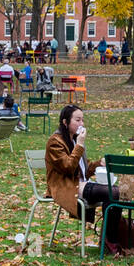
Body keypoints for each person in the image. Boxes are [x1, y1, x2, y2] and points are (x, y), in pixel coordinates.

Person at [45, 105, 123, 254]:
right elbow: (68, 167)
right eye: (77, 120)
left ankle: (108, 238)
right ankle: (109, 240)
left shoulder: (74, 139)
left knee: (116, 192)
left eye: (82, 120)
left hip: (80, 183)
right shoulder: (55, 142)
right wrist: (80, 144)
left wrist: (97, 164)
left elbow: (83, 170)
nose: (81, 124)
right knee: (113, 193)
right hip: (65, 186)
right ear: (65, 122)